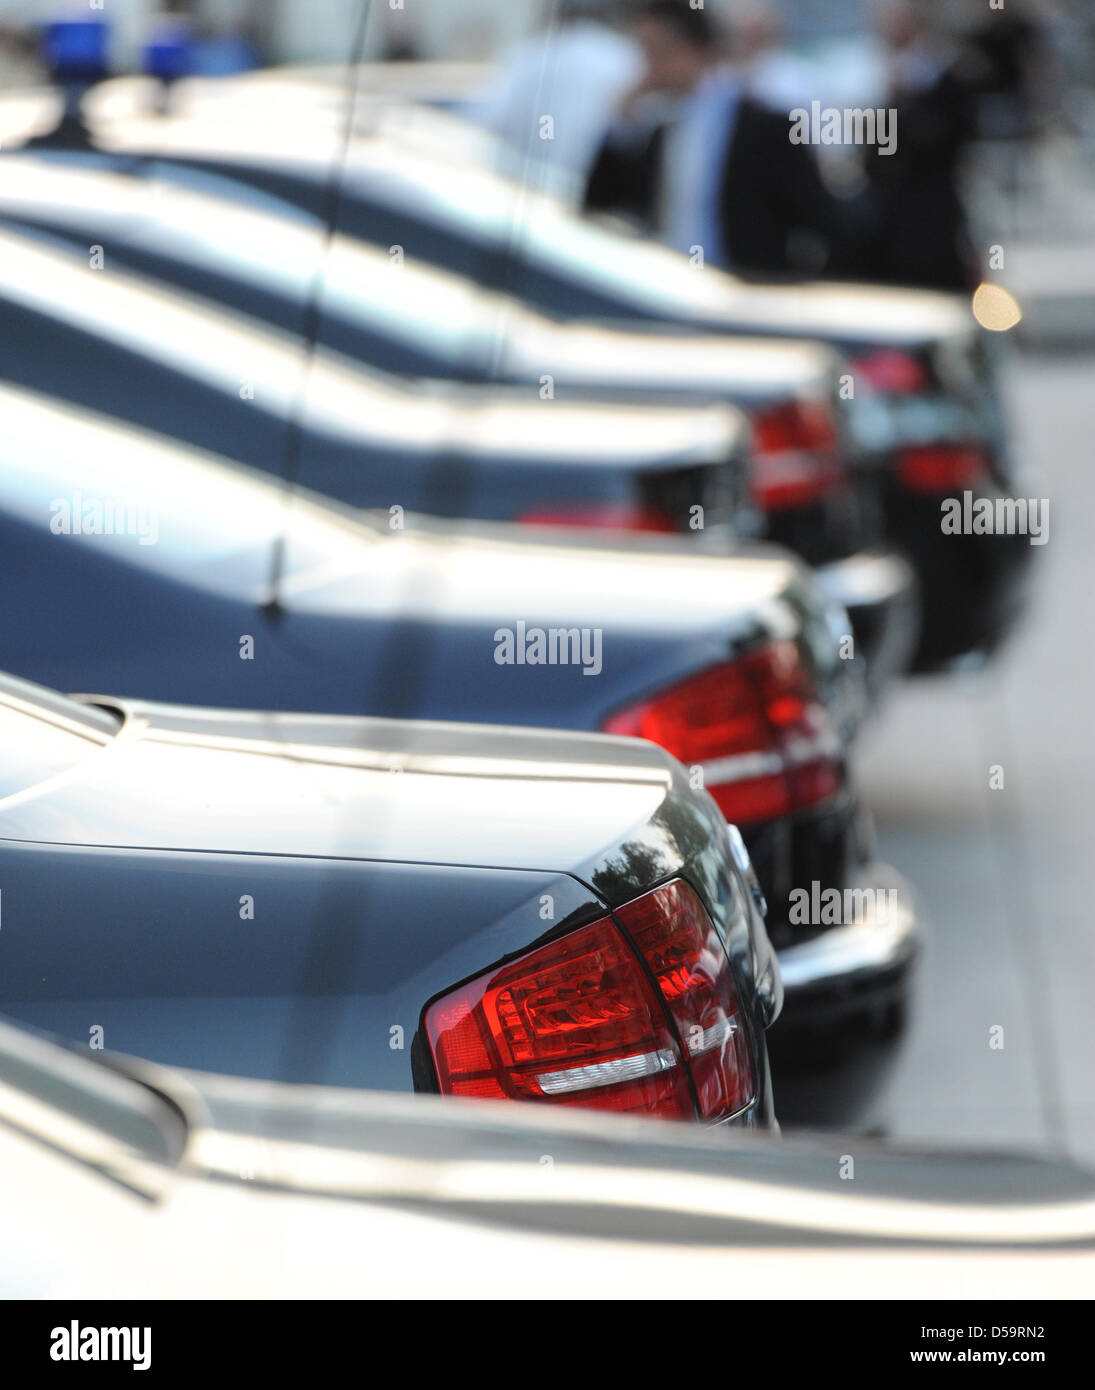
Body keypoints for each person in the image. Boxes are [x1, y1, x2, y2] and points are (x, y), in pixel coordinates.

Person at [583, 0, 849, 277]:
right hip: (670, 290)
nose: (652, 69)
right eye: (646, 54)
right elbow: (599, 202)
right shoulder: (659, 130)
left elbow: (821, 223)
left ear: (701, 49)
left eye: (662, 52)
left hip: (743, 298)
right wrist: (622, 121)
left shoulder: (765, 127)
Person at [858, 0, 980, 291]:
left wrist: (903, 104)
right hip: (888, 219)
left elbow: (944, 140)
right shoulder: (875, 74)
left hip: (931, 215)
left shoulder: (947, 78)